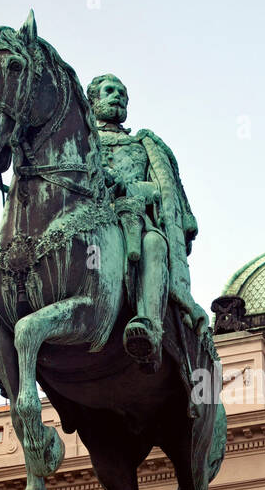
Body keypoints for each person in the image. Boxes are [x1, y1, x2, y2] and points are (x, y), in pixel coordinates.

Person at [87, 73, 209, 373]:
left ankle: (149, 327)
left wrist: (130, 188)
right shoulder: (79, 141)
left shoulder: (142, 145)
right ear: (92, 101)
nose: (117, 97)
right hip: (87, 220)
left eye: (122, 94)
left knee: (154, 242)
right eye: (109, 91)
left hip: (133, 221)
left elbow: (162, 191)